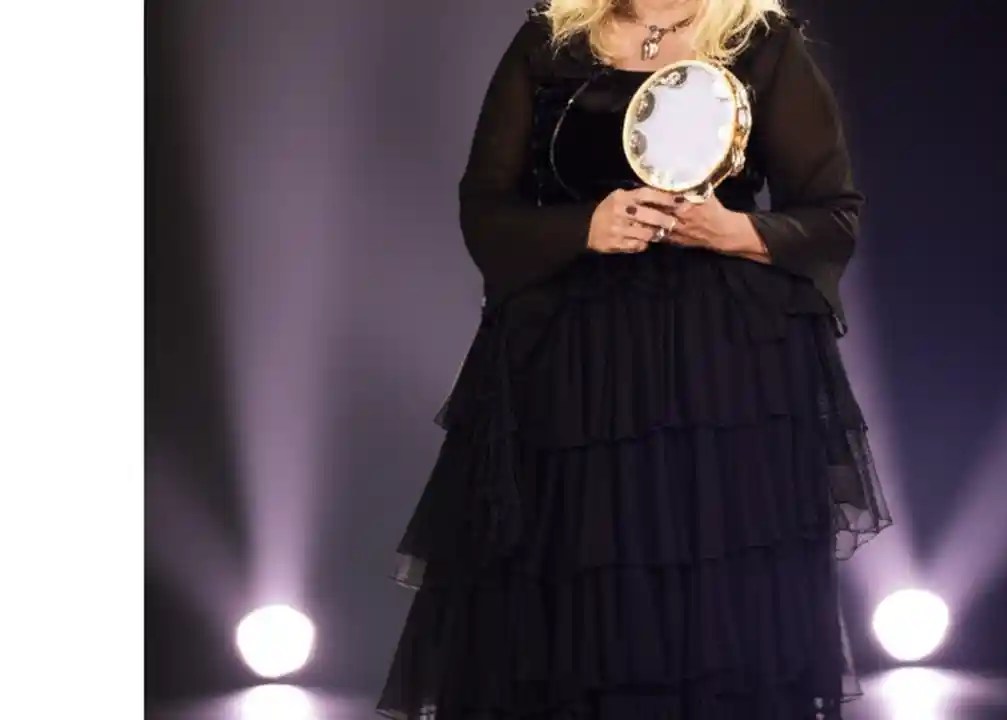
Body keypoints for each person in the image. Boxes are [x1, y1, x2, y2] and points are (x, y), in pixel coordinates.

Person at [376, 1, 891, 717]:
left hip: (723, 375)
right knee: (563, 596)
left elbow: (833, 215)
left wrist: (732, 230)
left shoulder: (761, 43)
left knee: (715, 601)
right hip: (569, 369)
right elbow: (485, 209)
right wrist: (583, 226)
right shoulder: (548, 41)